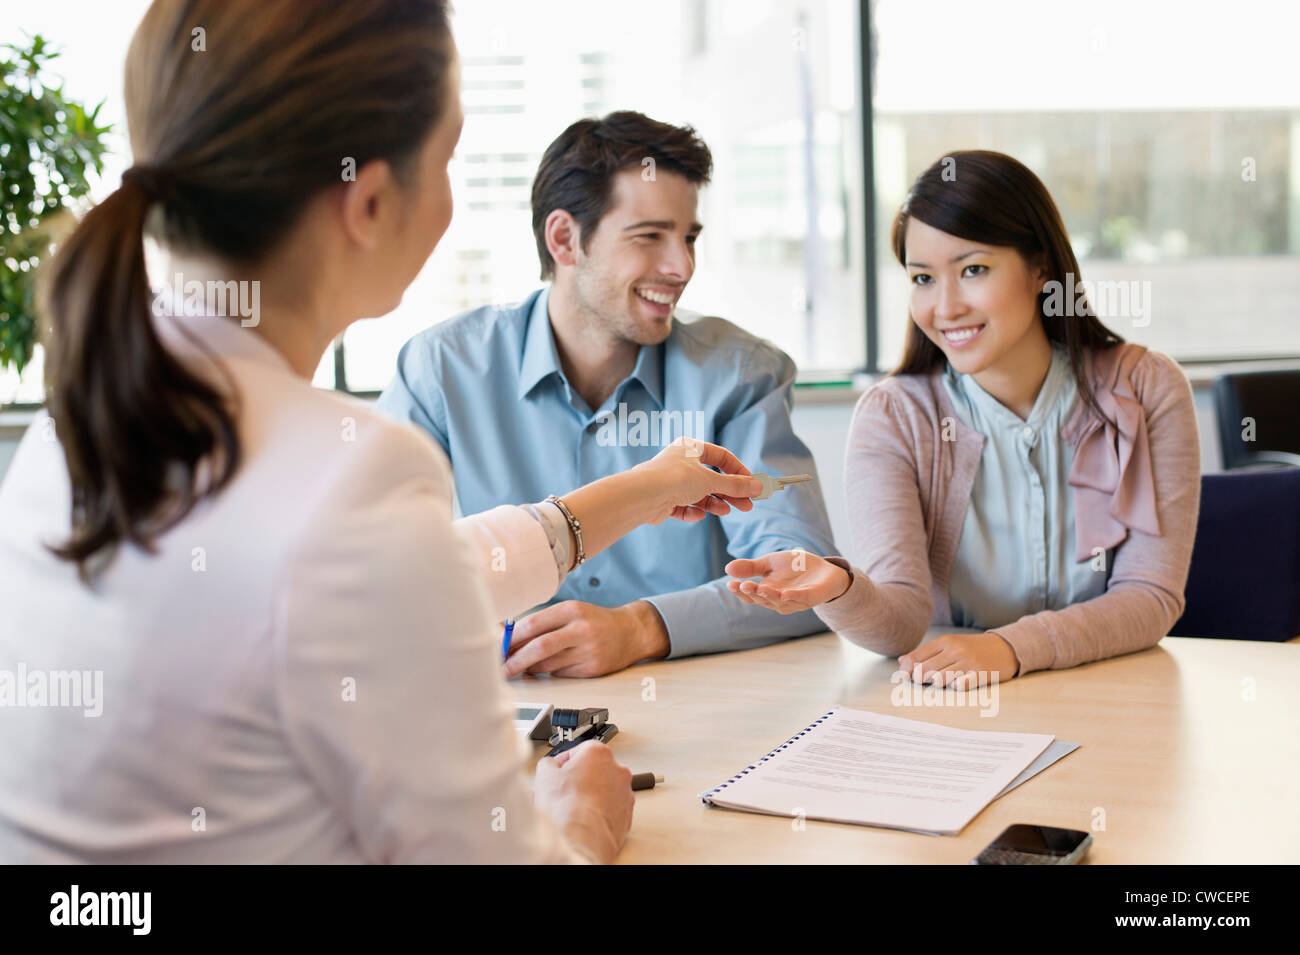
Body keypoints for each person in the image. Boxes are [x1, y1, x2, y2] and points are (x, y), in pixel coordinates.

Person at [0, 0, 767, 864]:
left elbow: (389, 583)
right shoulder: (354, 477)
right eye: (445, 155)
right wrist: (579, 817)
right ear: (367, 201)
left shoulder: (72, 434)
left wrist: (648, 485)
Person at [377, 111, 836, 679]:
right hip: (512, 703)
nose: (681, 266)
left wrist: (643, 627)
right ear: (565, 239)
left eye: (688, 238)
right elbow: (376, 572)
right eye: (650, 237)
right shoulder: (443, 369)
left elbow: (804, 577)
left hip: (699, 703)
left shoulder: (741, 375)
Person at [725, 150, 1201, 687]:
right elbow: (901, 621)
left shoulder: (1146, 388)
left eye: (973, 269)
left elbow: (1151, 596)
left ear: (1041, 267)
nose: (945, 307)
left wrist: (1009, 648)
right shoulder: (893, 416)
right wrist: (839, 587)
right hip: (956, 700)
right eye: (923, 278)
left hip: (1116, 694)